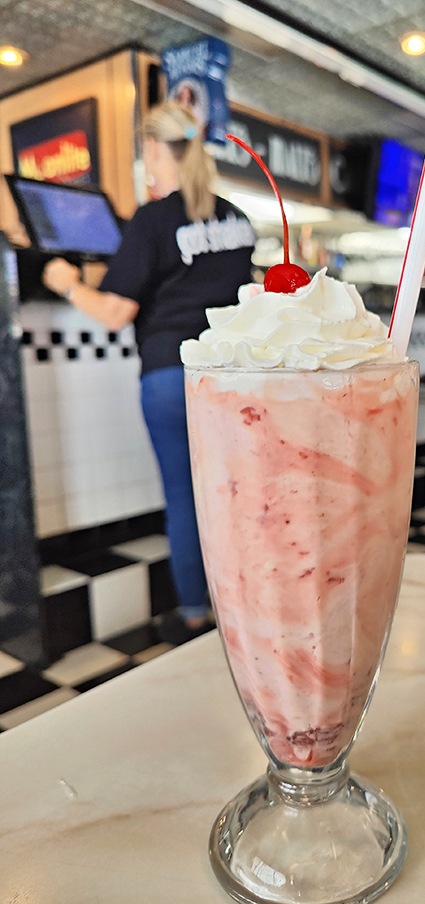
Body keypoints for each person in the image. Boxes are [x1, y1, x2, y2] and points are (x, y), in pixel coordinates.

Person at [43, 102, 255, 643]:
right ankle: (247, 609)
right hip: (232, 375)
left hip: (170, 374)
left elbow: (116, 311)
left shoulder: (153, 218)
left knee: (186, 500)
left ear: (155, 150)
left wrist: (66, 282)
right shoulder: (237, 218)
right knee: (234, 495)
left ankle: (193, 614)